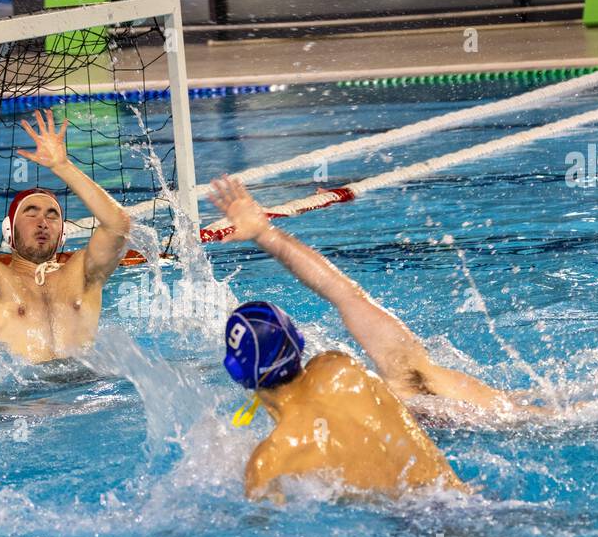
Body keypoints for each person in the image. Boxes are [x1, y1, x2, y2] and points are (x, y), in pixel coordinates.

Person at [207, 175, 517, 412]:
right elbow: (344, 293)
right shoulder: (403, 371)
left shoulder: (394, 393)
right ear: (298, 345)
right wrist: (266, 234)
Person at [0, 107, 133, 362]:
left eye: (52, 215)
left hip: (81, 389)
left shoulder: (83, 271)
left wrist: (63, 166)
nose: (42, 222)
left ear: (62, 233)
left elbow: (118, 226)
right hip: (22, 398)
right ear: (9, 231)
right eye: (31, 213)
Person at [221, 299, 467, 501]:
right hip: (466, 500)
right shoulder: (339, 365)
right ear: (298, 342)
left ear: (237, 372)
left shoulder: (269, 462)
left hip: (411, 524)